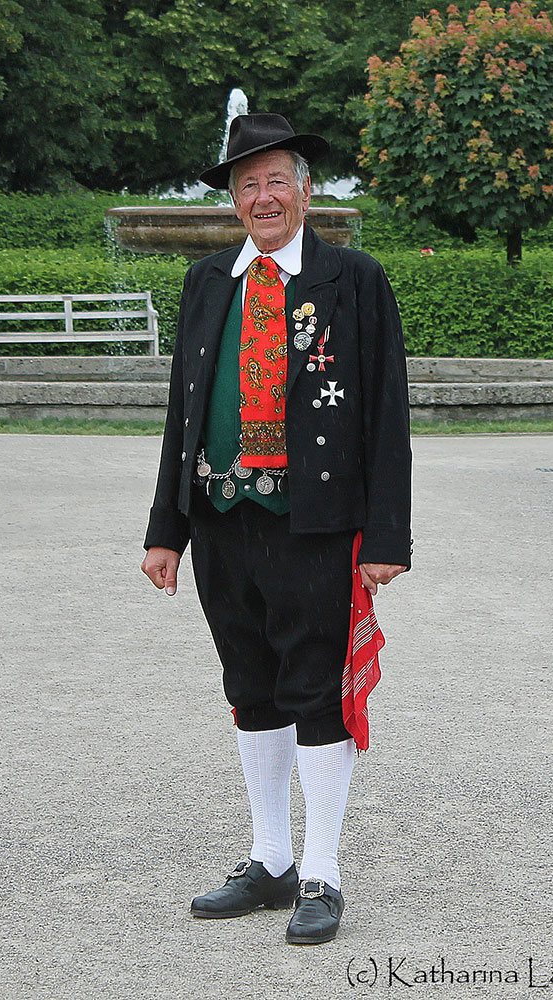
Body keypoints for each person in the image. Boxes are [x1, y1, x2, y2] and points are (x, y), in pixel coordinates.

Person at [141, 113, 411, 945]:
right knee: (249, 687)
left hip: (315, 523)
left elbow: (387, 414)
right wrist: (166, 529)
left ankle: (323, 871)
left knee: (315, 689)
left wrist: (388, 538)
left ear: (304, 190)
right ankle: (270, 860)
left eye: (275, 181)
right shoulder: (207, 282)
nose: (263, 198)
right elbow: (183, 412)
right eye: (246, 184)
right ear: (232, 198)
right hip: (221, 516)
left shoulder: (353, 280)